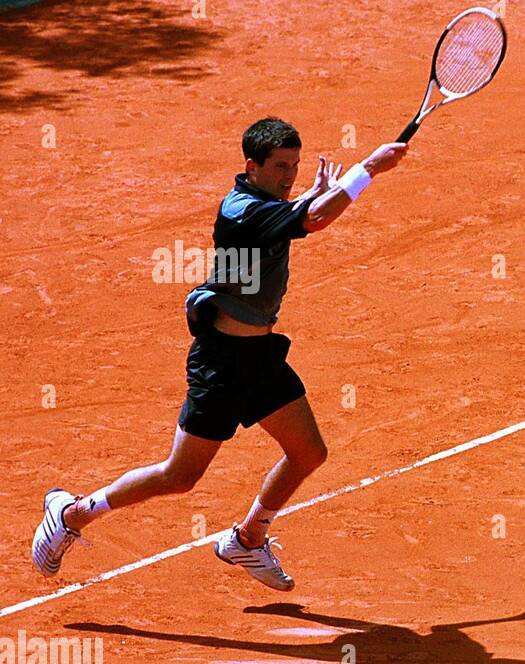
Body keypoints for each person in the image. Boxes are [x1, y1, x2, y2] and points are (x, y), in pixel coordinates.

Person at [32, 117, 407, 591]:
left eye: (293, 165)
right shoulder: (241, 211)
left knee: (308, 452)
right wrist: (369, 167)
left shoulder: (268, 203)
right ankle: (72, 514)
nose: (288, 176)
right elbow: (312, 219)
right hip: (223, 363)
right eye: (278, 167)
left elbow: (300, 212)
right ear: (251, 166)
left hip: (261, 359)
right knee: (180, 476)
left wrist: (312, 195)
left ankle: (248, 539)